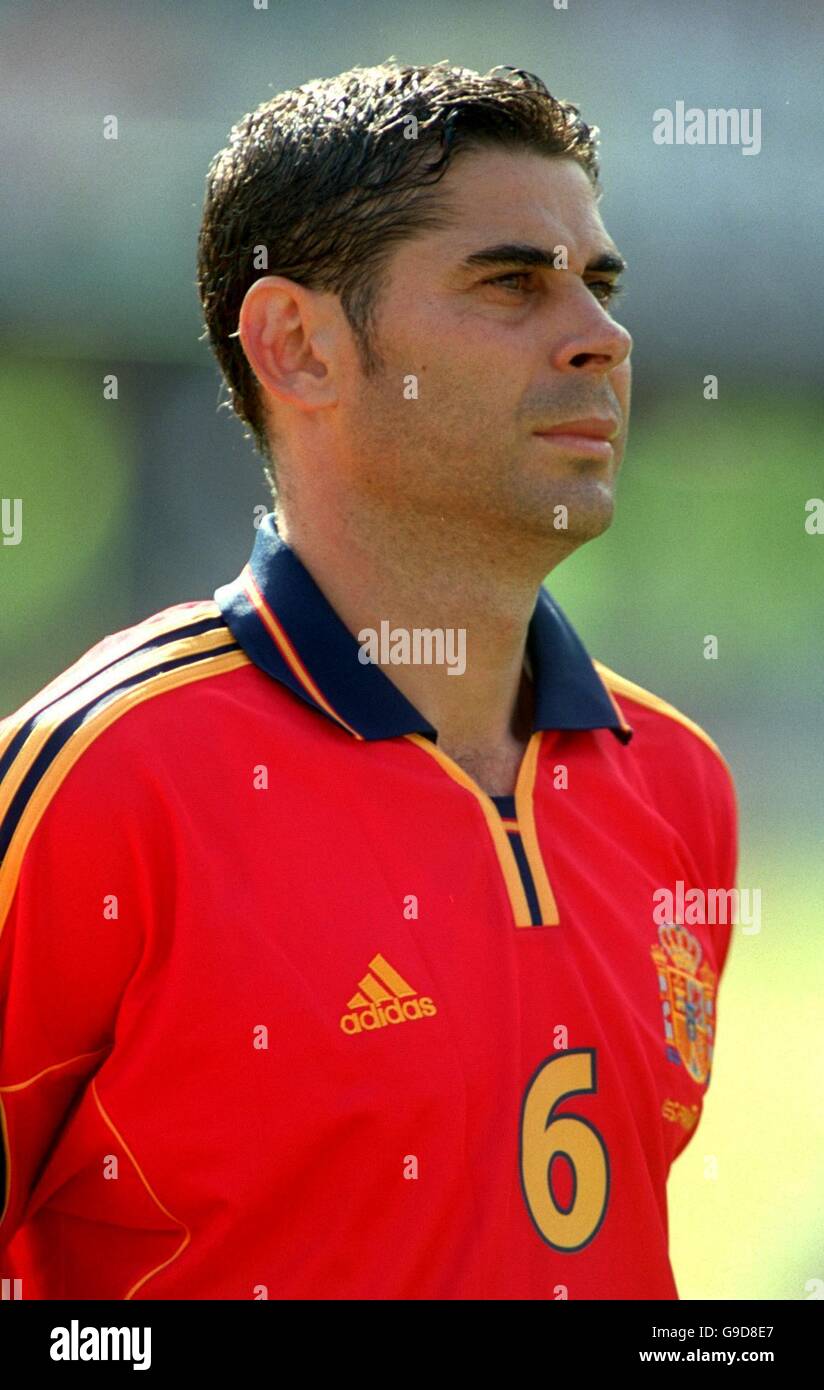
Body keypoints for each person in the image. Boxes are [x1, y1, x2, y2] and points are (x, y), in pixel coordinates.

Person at [0, 61, 737, 1300]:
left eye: (599, 286)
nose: (600, 337)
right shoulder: (101, 783)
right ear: (299, 345)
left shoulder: (679, 783)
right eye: (511, 283)